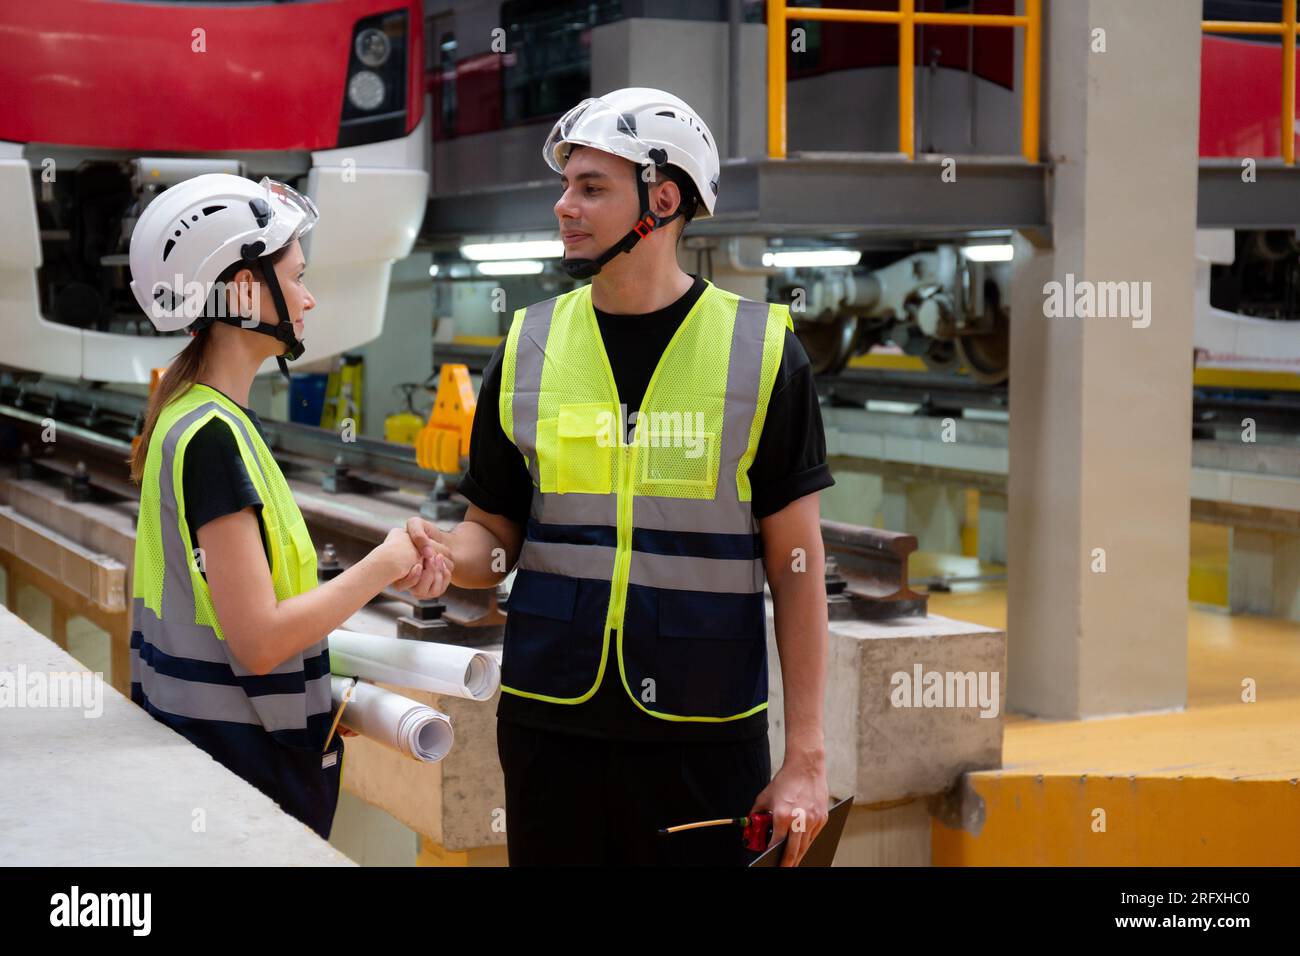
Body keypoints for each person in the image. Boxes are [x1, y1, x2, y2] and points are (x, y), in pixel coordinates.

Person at [408, 88, 833, 865]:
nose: (565, 205)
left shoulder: (765, 354)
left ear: (662, 200)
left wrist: (806, 757)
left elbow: (797, 566)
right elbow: (495, 533)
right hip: (549, 728)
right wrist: (443, 553)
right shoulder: (528, 344)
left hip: (704, 736)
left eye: (592, 187)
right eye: (566, 185)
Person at [125, 173, 454, 838]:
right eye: (296, 276)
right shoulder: (212, 437)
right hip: (236, 777)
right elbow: (262, 639)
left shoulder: (191, 418)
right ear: (244, 290)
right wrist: (384, 566)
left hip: (205, 756)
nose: (308, 297)